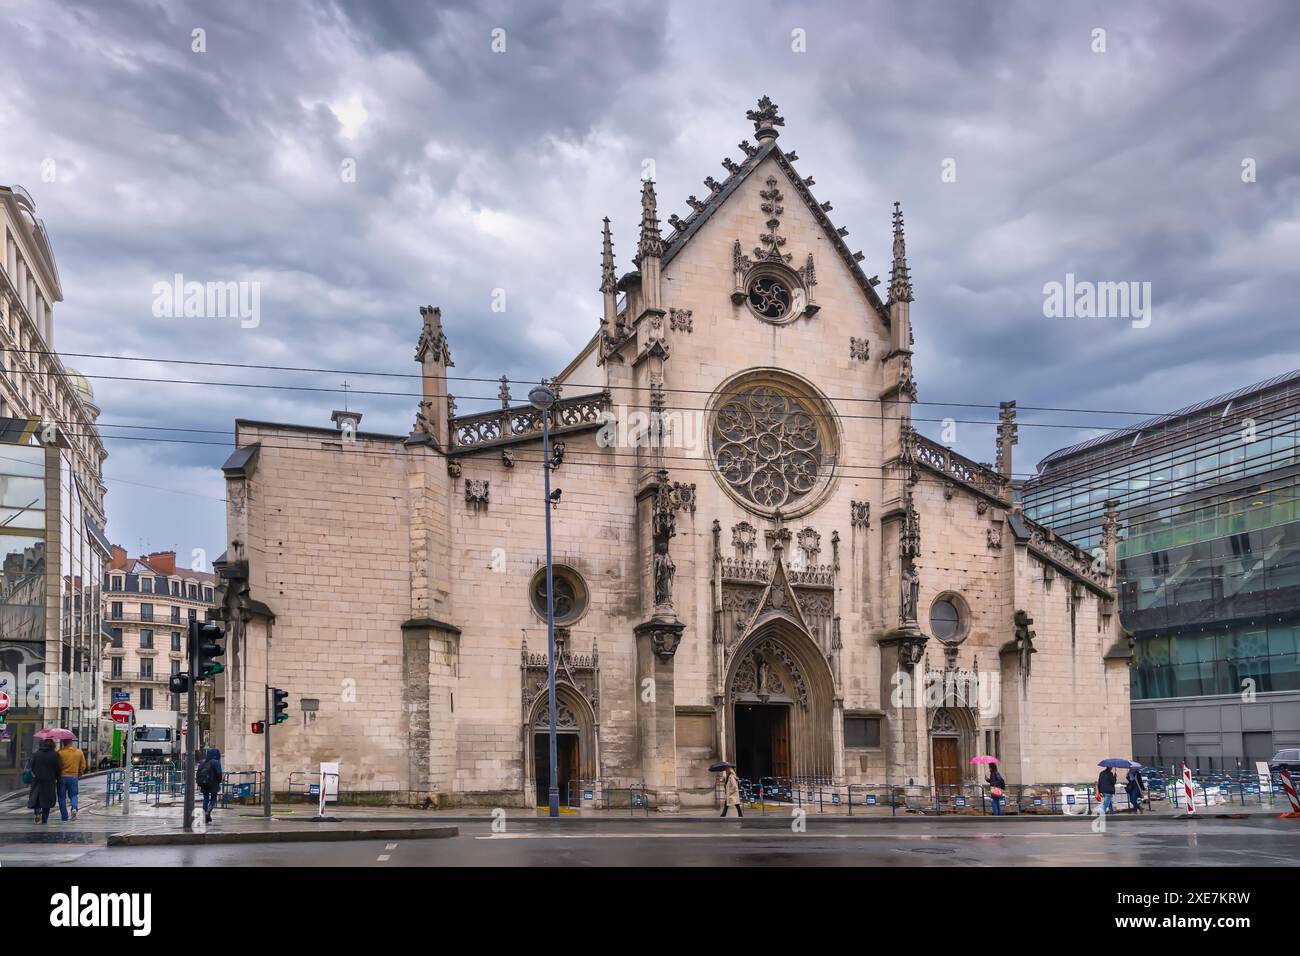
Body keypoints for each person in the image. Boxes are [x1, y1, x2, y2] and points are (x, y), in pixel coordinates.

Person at [28, 738, 62, 824]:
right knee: (47, 800)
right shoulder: (55, 755)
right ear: (53, 745)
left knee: (37, 798)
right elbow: (58, 768)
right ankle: (44, 819)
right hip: (49, 780)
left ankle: (38, 812)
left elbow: (31, 766)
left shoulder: (36, 754)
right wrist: (57, 777)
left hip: (37, 780)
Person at [58, 738, 87, 821]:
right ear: (71, 742)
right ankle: (74, 808)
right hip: (73, 777)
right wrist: (79, 774)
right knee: (74, 795)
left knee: (61, 797)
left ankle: (64, 816)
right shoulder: (79, 752)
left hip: (62, 777)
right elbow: (83, 766)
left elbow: (56, 766)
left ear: (63, 743)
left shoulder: (60, 753)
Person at [196, 747, 223, 824]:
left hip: (203, 783)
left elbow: (198, 773)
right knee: (213, 798)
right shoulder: (215, 762)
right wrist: (219, 781)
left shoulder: (202, 762)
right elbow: (219, 773)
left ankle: (205, 813)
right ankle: (208, 812)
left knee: (206, 798)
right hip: (213, 783)